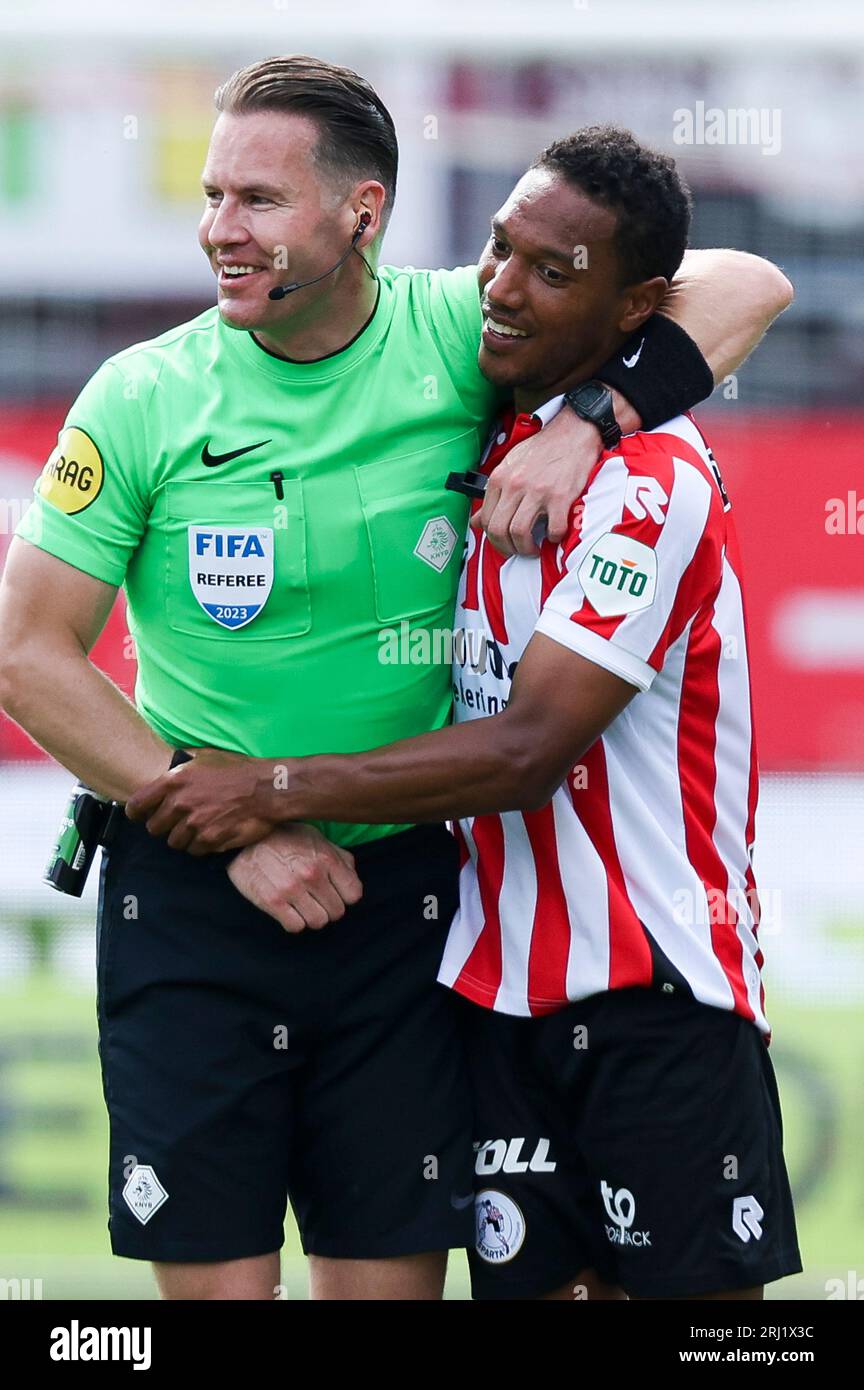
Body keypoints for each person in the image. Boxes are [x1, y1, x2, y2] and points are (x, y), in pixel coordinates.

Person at [0, 49, 790, 1302]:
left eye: (257, 199)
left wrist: (597, 418)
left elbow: (748, 281)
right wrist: (241, 828)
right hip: (197, 887)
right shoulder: (141, 395)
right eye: (212, 196)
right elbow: (26, 651)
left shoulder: (465, 335)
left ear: (362, 211)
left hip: (403, 899)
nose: (219, 229)